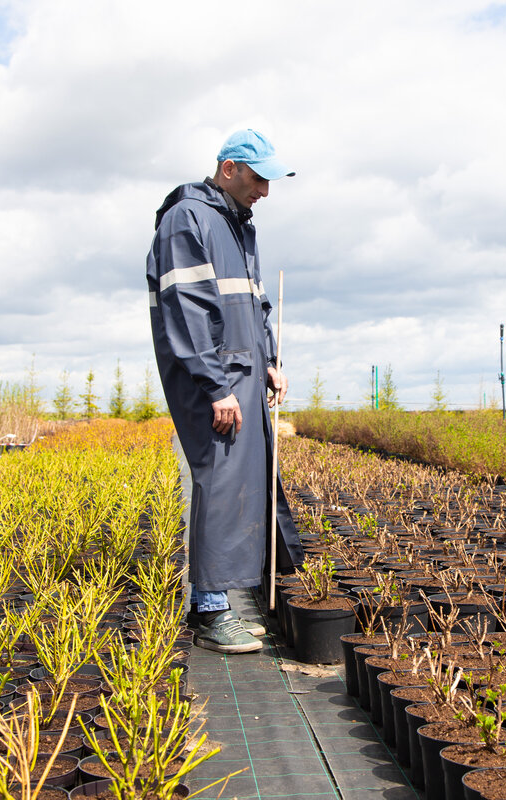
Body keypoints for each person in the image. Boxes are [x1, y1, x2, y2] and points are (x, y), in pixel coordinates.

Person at [147, 129, 306, 653]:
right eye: (260, 178)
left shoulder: (238, 226)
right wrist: (216, 386)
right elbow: (188, 308)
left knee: (244, 480)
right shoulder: (186, 219)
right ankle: (211, 615)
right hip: (211, 377)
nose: (266, 190)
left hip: (241, 373)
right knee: (218, 481)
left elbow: (253, 303)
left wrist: (270, 360)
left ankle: (221, 603)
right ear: (230, 168)